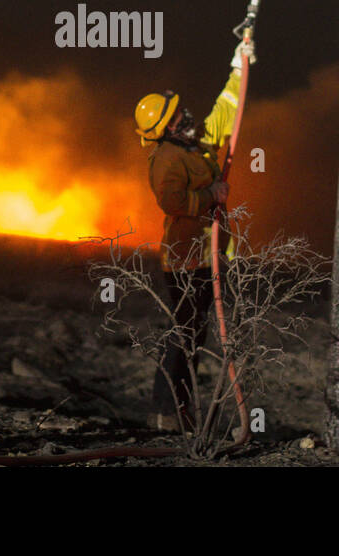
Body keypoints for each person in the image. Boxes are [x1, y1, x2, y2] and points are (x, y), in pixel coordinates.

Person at [134, 36, 254, 431]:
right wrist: (209, 195)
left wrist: (238, 67)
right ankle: (167, 411)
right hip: (185, 259)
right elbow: (171, 202)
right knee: (185, 333)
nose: (184, 115)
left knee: (193, 332)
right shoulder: (167, 158)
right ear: (165, 130)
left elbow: (225, 111)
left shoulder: (196, 144)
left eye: (180, 110)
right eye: (174, 116)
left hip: (205, 255)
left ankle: (177, 411)